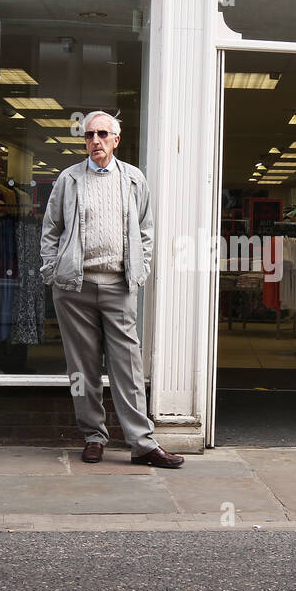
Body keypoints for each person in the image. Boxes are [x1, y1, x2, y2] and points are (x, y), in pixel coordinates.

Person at [39, 111, 183, 468]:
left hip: (118, 285)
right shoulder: (69, 179)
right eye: (89, 135)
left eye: (103, 134)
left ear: (116, 139)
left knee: (128, 366)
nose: (95, 141)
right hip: (75, 287)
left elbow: (146, 230)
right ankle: (93, 437)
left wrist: (142, 269)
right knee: (82, 368)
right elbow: (50, 229)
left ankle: (142, 443)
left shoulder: (133, 179)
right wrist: (52, 270)